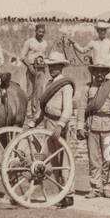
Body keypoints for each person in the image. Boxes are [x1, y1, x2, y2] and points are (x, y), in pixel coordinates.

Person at [35, 51, 76, 207]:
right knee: (53, 159)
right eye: (51, 66)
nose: (53, 69)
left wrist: (60, 125)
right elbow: (43, 106)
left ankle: (69, 194)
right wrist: (35, 122)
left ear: (61, 67)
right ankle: (61, 192)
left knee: (65, 159)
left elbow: (68, 109)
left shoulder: (65, 85)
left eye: (56, 66)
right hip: (48, 123)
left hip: (60, 125)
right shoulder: (48, 83)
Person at [83, 63, 110, 198]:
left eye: (102, 72)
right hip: (92, 126)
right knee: (93, 160)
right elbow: (82, 109)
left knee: (109, 158)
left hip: (109, 125)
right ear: (93, 73)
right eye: (97, 72)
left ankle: (106, 186)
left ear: (106, 73)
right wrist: (79, 127)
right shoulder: (87, 87)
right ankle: (95, 187)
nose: (100, 74)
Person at [19, 23, 53, 119]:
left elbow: (45, 57)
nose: (41, 34)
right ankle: (28, 112)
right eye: (39, 31)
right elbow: (22, 57)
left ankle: (37, 112)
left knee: (40, 91)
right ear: (36, 31)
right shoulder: (29, 42)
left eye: (43, 32)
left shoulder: (45, 43)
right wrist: (30, 67)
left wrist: (46, 63)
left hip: (41, 69)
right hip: (31, 67)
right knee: (30, 91)